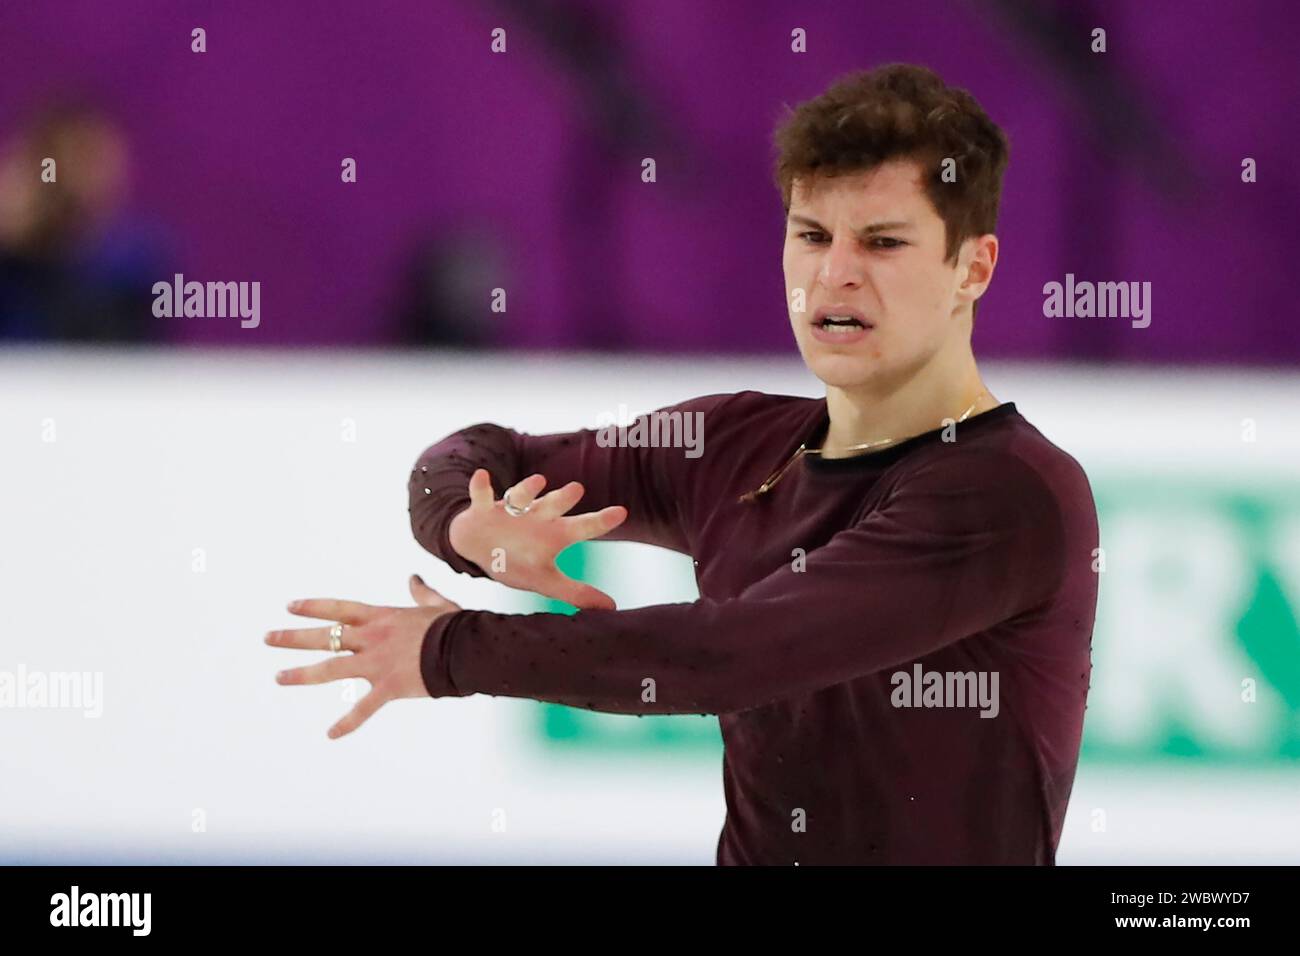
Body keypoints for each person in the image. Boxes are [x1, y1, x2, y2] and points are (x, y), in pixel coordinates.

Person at [268, 64, 1100, 865]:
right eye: (811, 235)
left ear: (972, 267)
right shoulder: (733, 445)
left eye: (882, 243)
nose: (834, 274)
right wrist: (466, 521)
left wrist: (449, 652)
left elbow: (729, 658)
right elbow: (475, 451)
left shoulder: (1006, 493)